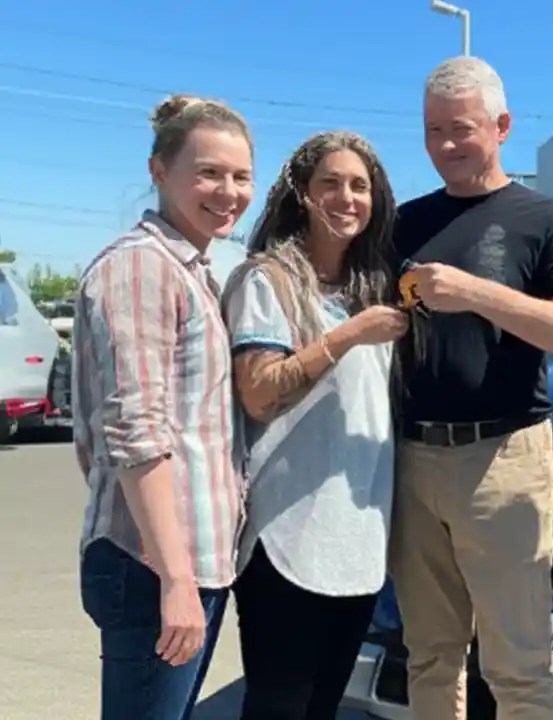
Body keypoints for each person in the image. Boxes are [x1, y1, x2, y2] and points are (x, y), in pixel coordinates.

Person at [391, 55, 553, 720]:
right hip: (411, 457)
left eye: (461, 128)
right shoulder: (401, 223)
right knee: (429, 655)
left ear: (502, 125)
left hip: (503, 460)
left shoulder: (546, 219)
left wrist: (476, 292)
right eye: (432, 131)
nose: (445, 146)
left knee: (517, 666)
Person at [72, 93, 255, 720]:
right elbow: (134, 431)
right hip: (153, 569)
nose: (227, 191)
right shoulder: (141, 269)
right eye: (207, 173)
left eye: (240, 176)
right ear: (159, 170)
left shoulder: (193, 270)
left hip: (187, 563)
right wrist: (175, 579)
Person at [219, 130, 408, 720]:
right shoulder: (265, 281)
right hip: (286, 538)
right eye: (330, 182)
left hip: (359, 539)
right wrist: (349, 335)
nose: (347, 197)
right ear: (302, 192)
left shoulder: (372, 288)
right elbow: (258, 394)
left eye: (360, 185)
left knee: (324, 705)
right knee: (279, 704)